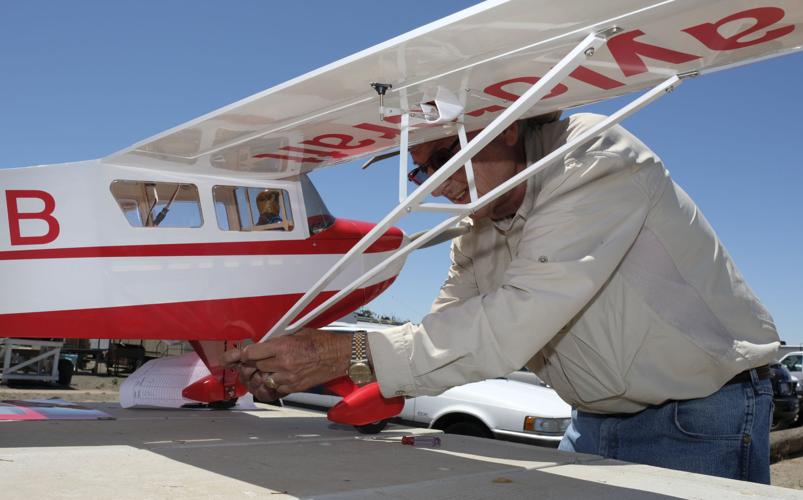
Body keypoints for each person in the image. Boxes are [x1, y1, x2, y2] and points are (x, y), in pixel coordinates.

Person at [222, 111, 779, 483]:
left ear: (504, 126)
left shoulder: (590, 154)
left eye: (442, 157)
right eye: (420, 169)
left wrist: (345, 353)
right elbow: (449, 324)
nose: (436, 184)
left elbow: (517, 318)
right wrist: (343, 378)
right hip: (590, 418)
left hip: (697, 416)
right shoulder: (478, 225)